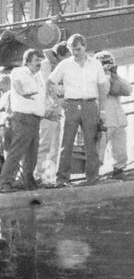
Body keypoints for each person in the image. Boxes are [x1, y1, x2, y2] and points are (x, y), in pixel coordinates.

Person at [49, 33, 109, 186]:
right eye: (72, 49)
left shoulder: (95, 64)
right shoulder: (65, 65)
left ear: (85, 47)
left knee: (91, 143)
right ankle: (62, 179)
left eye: (78, 49)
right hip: (71, 105)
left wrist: (102, 110)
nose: (76, 52)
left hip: (90, 105)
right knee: (66, 143)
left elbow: (102, 87)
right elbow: (49, 82)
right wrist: (59, 101)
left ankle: (92, 178)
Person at [0, 50, 44, 192]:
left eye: (40, 60)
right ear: (28, 61)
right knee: (17, 151)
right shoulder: (19, 72)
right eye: (37, 60)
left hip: (34, 119)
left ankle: (28, 181)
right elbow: (17, 85)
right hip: (22, 118)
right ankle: (5, 182)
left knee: (32, 152)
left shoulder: (38, 76)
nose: (39, 63)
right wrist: (23, 93)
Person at [95, 51, 133, 178]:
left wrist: (115, 75)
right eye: (105, 63)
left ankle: (119, 170)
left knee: (120, 150)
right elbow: (104, 90)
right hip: (104, 120)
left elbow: (128, 90)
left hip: (118, 119)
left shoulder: (113, 78)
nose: (109, 65)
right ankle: (93, 174)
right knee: (99, 150)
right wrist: (105, 74)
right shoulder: (96, 78)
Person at [36, 43, 67, 184]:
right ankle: (39, 177)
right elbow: (48, 87)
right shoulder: (46, 65)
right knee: (45, 146)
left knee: (54, 147)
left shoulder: (53, 66)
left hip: (55, 112)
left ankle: (48, 178)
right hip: (47, 112)